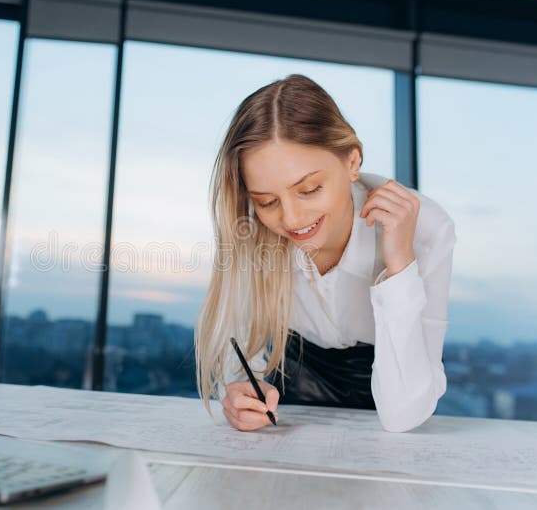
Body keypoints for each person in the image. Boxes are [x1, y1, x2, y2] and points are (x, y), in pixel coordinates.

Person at [194, 74, 456, 433]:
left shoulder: (430, 230)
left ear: (352, 162)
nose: (291, 219)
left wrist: (399, 266)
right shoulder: (251, 230)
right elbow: (239, 359)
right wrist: (239, 391)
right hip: (292, 399)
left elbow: (403, 416)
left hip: (392, 391)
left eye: (309, 189)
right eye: (267, 201)